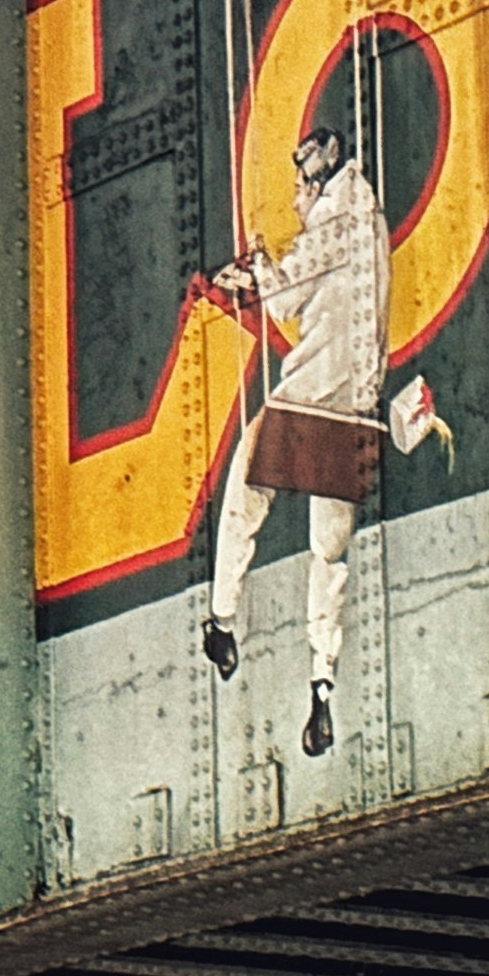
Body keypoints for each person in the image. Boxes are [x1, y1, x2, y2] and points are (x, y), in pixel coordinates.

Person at [200, 121, 389, 755]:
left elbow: (280, 304)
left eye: (302, 160)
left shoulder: (336, 218)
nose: (298, 178)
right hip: (357, 414)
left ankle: (223, 618)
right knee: (328, 557)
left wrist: (258, 259)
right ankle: (322, 685)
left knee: (243, 498)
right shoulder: (371, 222)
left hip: (308, 399)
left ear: (329, 157)